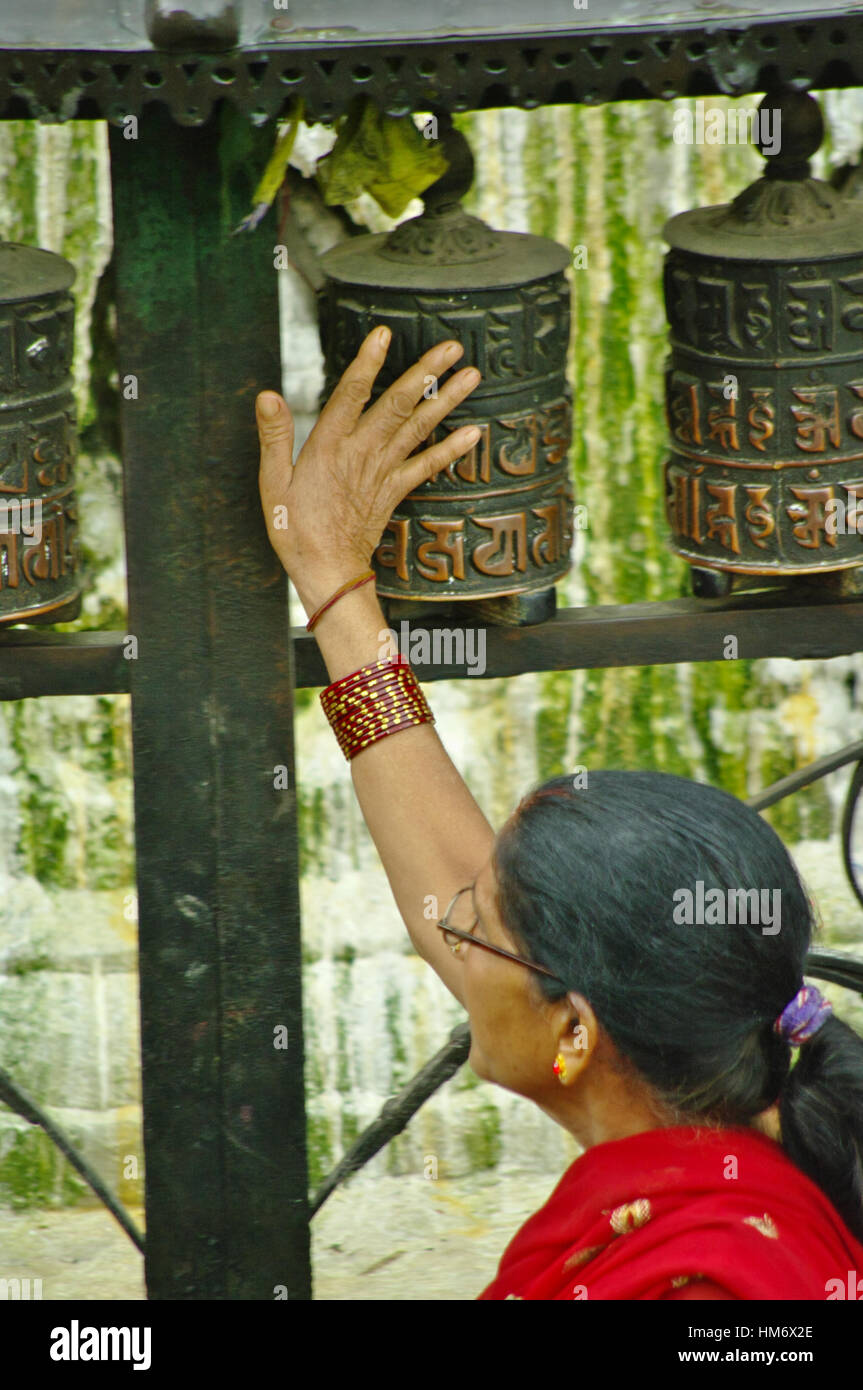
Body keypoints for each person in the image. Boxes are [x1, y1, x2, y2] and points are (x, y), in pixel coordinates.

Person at [255, 329, 863, 1301]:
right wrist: (334, 584)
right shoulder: (762, 1156)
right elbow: (454, 879)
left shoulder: (699, 1288)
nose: (446, 926)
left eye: (475, 924)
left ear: (574, 1032)